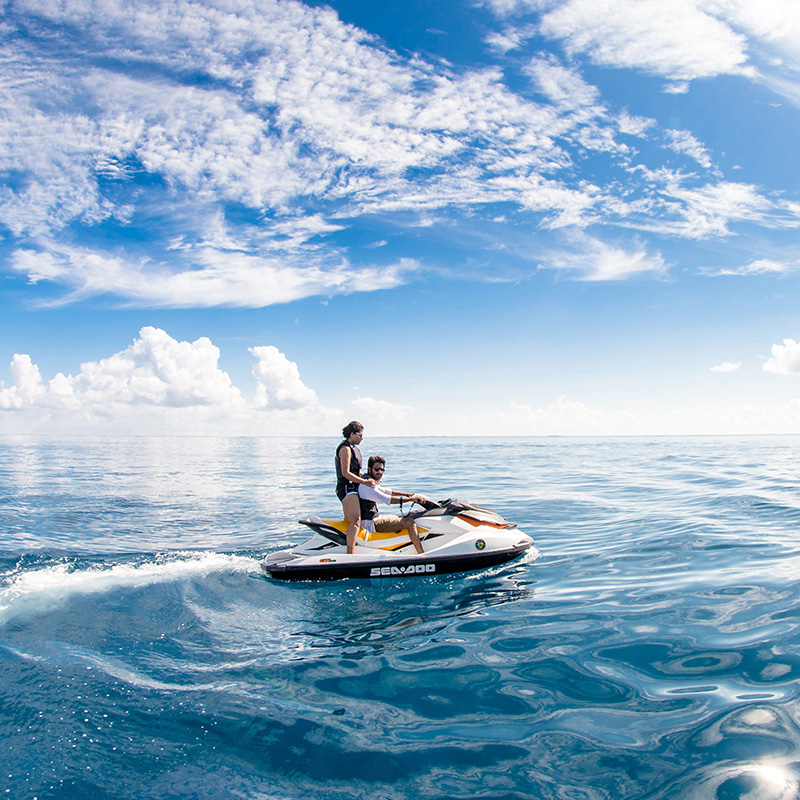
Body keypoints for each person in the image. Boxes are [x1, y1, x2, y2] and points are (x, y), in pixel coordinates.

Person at [358, 455, 427, 554]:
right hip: (371, 523)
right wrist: (410, 499)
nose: (380, 472)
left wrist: (406, 494)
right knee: (410, 522)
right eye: (377, 469)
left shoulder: (368, 480)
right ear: (369, 469)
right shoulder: (367, 486)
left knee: (408, 515)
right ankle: (421, 554)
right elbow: (386, 499)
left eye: (382, 469)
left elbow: (386, 491)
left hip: (374, 518)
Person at [336, 421, 376, 554]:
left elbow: (355, 471)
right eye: (359, 435)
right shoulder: (345, 449)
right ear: (351, 434)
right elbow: (345, 473)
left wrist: (368, 478)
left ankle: (349, 544)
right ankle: (350, 553)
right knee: (355, 520)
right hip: (347, 488)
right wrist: (364, 483)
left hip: (352, 487)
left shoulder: (353, 449)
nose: (362, 438)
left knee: (349, 520)